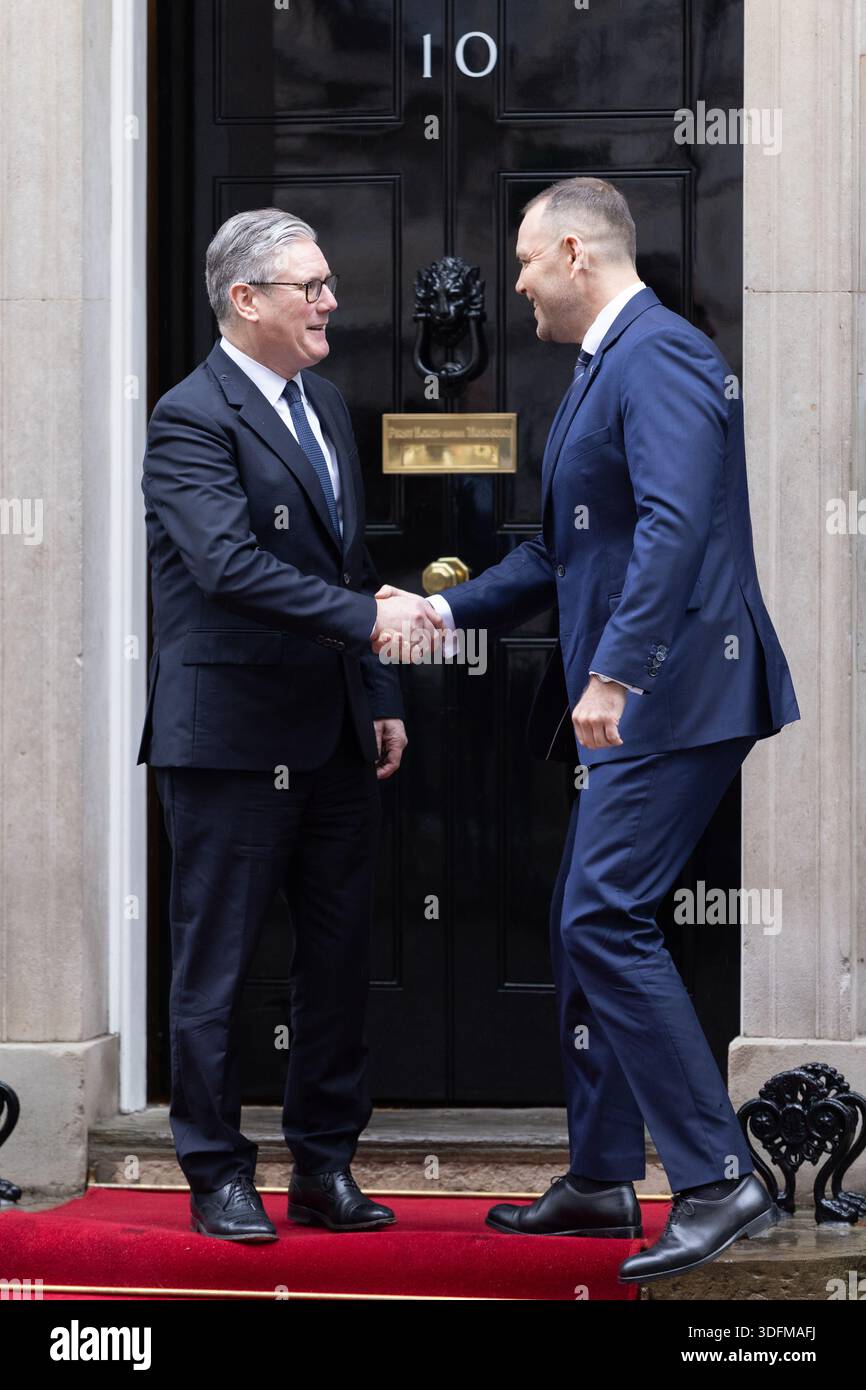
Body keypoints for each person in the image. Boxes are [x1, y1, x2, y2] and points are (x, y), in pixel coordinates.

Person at [375, 177, 799, 1283]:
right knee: (585, 920)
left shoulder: (652, 354)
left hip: (673, 693)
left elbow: (673, 526)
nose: (511, 282)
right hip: (654, 694)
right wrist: (441, 606)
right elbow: (563, 554)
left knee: (603, 916)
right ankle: (605, 1175)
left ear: (572, 253)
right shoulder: (603, 367)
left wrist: (614, 670)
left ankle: (716, 1178)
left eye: (521, 260)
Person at [137, 207, 440, 1241]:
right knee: (215, 966)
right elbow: (227, 568)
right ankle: (216, 1170)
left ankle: (322, 1165)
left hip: (333, 733)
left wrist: (380, 691)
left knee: (337, 959)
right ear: (245, 299)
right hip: (226, 740)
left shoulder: (322, 402)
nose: (329, 302)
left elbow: (343, 565)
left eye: (325, 283)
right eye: (309, 286)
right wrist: (367, 620)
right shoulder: (190, 417)